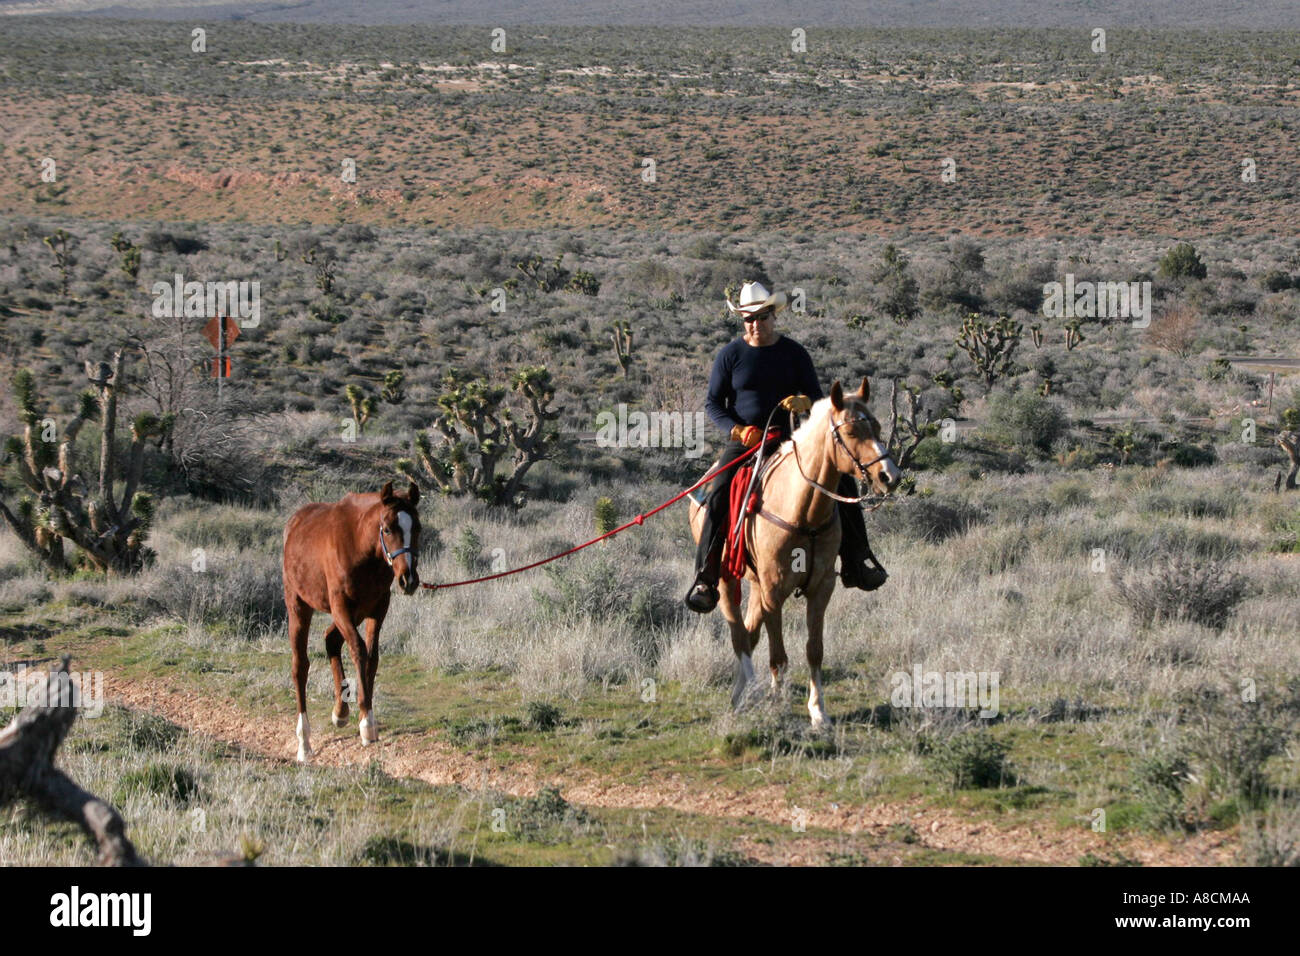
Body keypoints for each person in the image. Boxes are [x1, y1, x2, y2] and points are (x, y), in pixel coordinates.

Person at [685, 281, 888, 614]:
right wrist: (736, 429)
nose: (755, 324)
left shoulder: (794, 353)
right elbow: (713, 404)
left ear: (773, 316)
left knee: (843, 479)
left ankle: (857, 558)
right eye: (748, 318)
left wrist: (805, 401)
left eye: (762, 317)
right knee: (720, 490)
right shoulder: (730, 355)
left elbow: (820, 399)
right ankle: (706, 577)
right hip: (747, 441)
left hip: (793, 438)